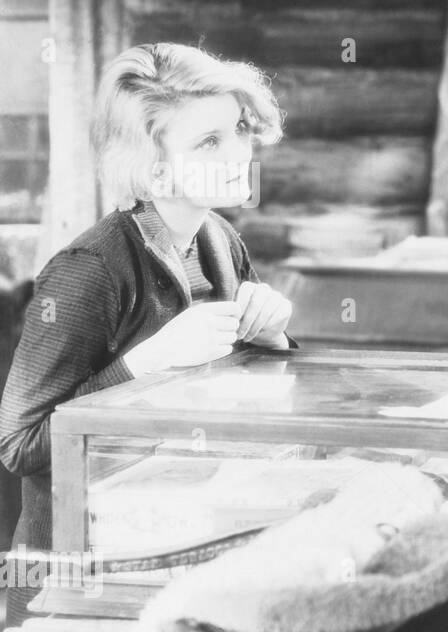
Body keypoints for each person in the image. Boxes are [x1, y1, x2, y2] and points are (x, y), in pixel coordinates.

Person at [0, 42, 294, 554]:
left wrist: (274, 338)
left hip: (189, 532)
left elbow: (241, 395)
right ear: (154, 169)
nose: (240, 154)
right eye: (209, 142)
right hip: (82, 567)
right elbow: (20, 446)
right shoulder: (89, 271)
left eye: (240, 130)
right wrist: (145, 363)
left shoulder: (218, 238)